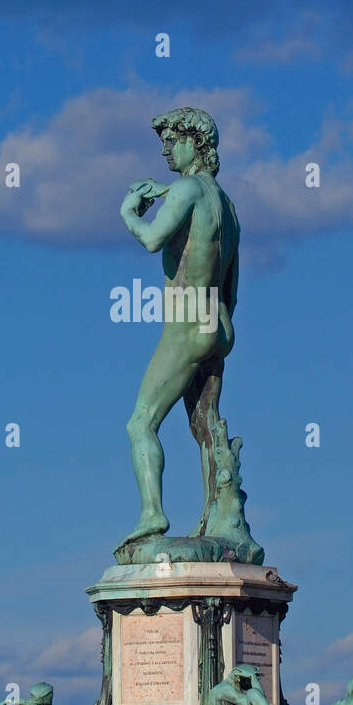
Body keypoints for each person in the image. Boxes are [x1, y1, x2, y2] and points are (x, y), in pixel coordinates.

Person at [117, 108, 240, 550]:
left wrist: (129, 213)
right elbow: (232, 286)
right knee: (205, 426)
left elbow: (151, 239)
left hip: (187, 320)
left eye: (173, 139)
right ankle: (220, 519)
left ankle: (152, 514)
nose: (166, 147)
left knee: (140, 423)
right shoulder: (225, 203)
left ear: (196, 142)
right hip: (218, 322)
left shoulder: (186, 190)